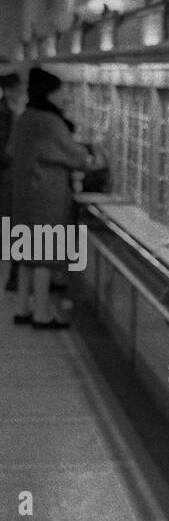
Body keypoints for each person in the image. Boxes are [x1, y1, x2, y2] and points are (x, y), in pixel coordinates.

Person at [10, 67, 93, 329]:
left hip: (23, 194)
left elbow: (12, 150)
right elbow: (75, 156)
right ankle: (42, 314)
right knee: (45, 256)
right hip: (46, 196)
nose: (64, 98)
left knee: (24, 256)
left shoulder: (25, 117)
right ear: (50, 92)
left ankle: (23, 308)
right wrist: (92, 156)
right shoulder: (49, 121)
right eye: (61, 92)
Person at [0, 70, 22, 292]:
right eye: (16, 89)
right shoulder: (4, 114)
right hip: (7, 177)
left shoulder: (9, 112)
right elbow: (5, 150)